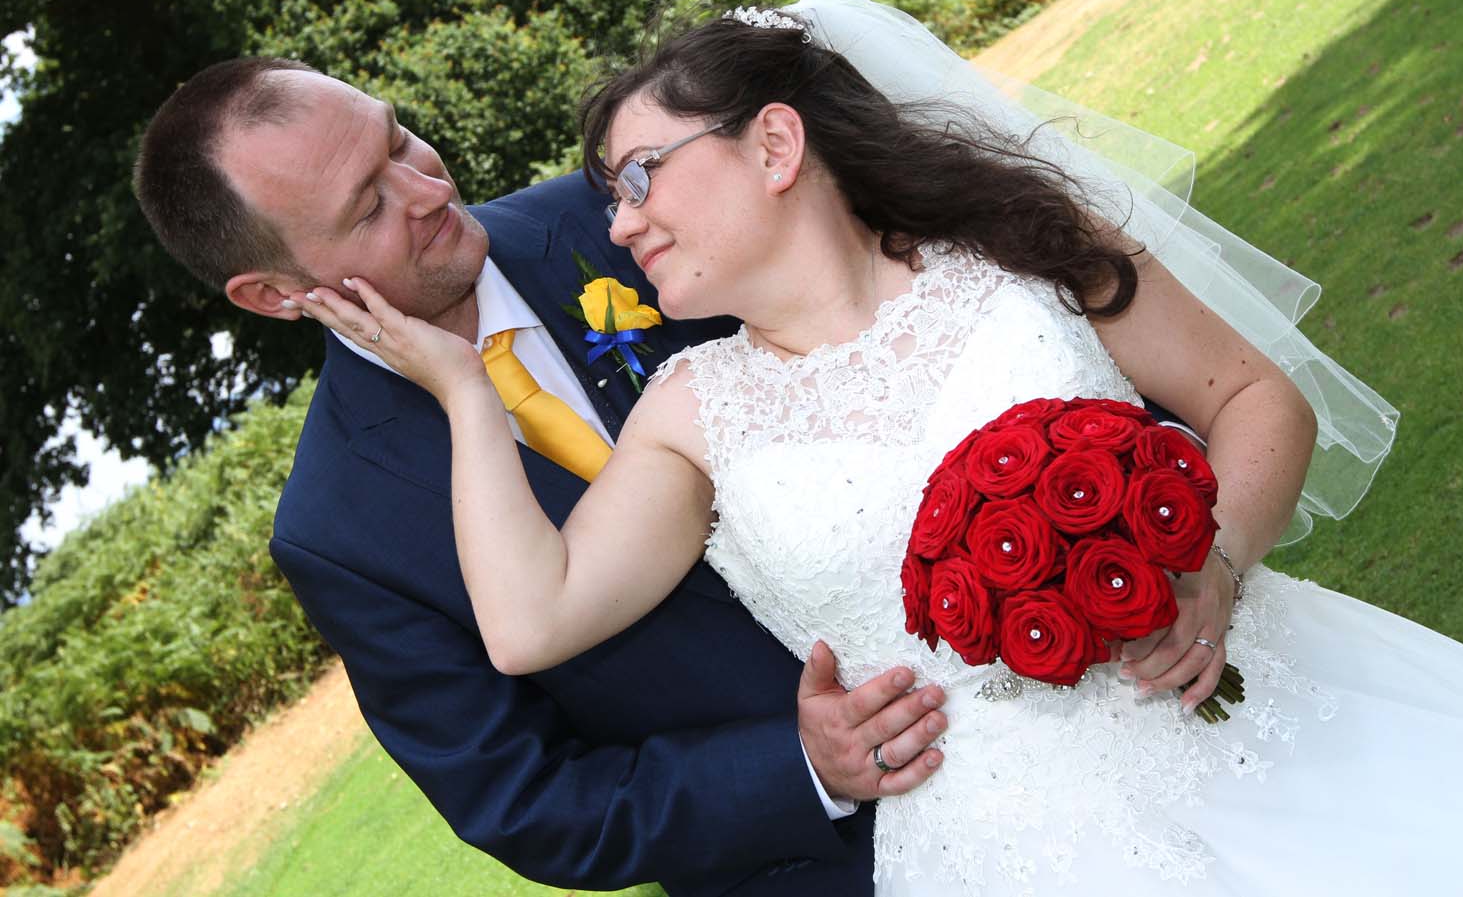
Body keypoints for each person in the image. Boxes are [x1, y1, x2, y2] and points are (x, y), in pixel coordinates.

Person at [293, 0, 1463, 896]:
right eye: (612, 193)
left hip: (1260, 709)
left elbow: (1252, 394)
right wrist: (462, 390)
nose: (617, 224)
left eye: (643, 176)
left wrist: (1215, 566)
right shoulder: (692, 409)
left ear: (775, 147)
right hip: (1008, 843)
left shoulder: (1020, 243)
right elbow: (527, 622)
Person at [132, 55, 964, 896]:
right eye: (369, 206)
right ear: (274, 293)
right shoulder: (337, 527)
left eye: (398, 139)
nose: (427, 189)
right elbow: (529, 800)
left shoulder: (626, 213)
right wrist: (799, 766)